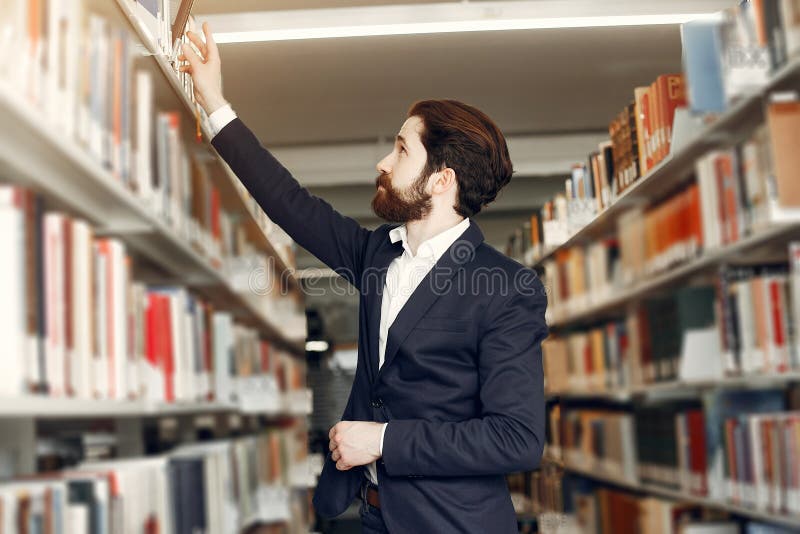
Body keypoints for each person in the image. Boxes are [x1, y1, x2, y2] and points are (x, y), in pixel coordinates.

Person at [180, 23, 548, 534]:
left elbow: (517, 438)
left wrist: (382, 441)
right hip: (371, 512)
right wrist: (216, 102)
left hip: (451, 524)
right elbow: (291, 204)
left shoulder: (506, 288)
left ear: (441, 181)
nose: (382, 162)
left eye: (400, 151)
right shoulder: (377, 255)